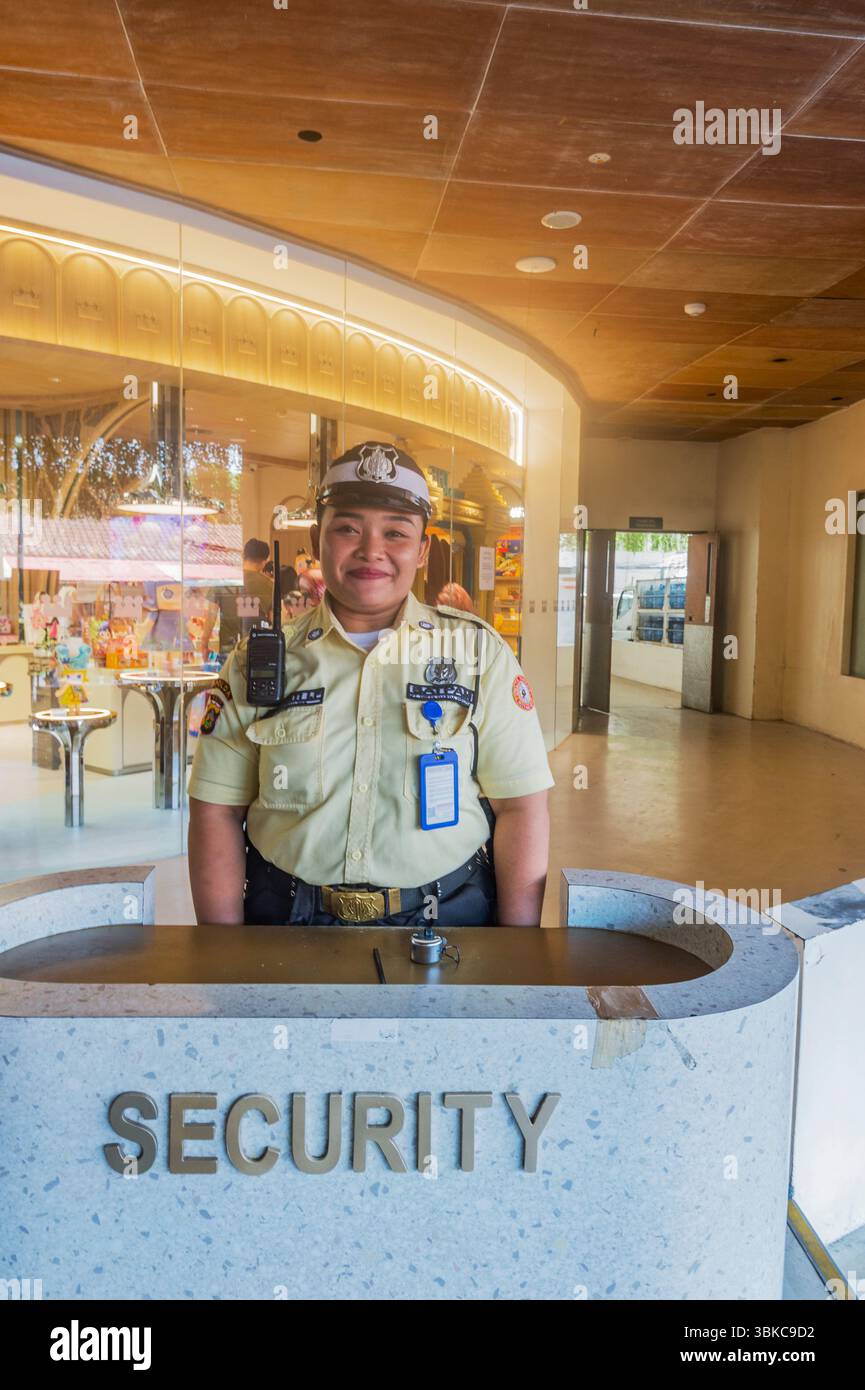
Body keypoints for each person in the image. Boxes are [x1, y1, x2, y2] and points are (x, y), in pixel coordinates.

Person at [187, 440, 553, 927]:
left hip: (445, 919)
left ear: (422, 549)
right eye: (348, 528)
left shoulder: (477, 654)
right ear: (318, 538)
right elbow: (216, 811)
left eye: (396, 533)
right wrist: (221, 953)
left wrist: (519, 949)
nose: (371, 551)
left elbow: (521, 807)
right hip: (286, 922)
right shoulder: (259, 661)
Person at [198, 538, 273, 664]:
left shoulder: (225, 579)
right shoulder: (269, 585)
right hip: (257, 648)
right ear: (264, 562)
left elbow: (211, 614)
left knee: (229, 681)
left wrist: (204, 643)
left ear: (244, 556)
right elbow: (273, 621)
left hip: (229, 648)